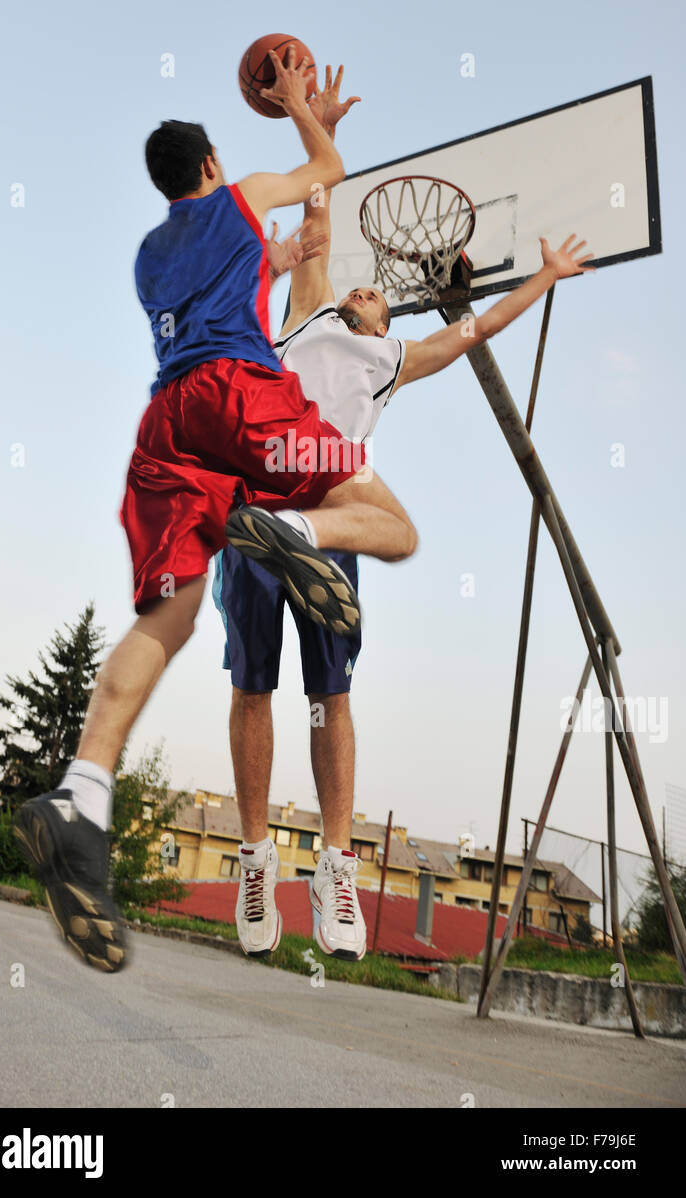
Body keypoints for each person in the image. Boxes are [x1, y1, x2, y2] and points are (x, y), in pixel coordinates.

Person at [13, 50, 418, 973]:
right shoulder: (238, 198)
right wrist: (302, 111)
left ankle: (82, 792)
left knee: (171, 614)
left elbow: (254, 266)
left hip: (168, 429)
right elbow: (328, 174)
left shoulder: (151, 258)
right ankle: (295, 529)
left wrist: (292, 249)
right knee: (393, 526)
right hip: (239, 402)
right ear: (210, 166)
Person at [215, 67, 594, 962]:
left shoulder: (391, 358)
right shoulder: (307, 317)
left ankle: (336, 868)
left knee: (332, 694)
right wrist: (314, 119)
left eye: (375, 294)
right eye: (354, 286)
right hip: (261, 496)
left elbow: (479, 330)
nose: (359, 292)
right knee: (251, 686)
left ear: (391, 309)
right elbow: (320, 202)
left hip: (328, 521)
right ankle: (259, 856)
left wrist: (543, 273)